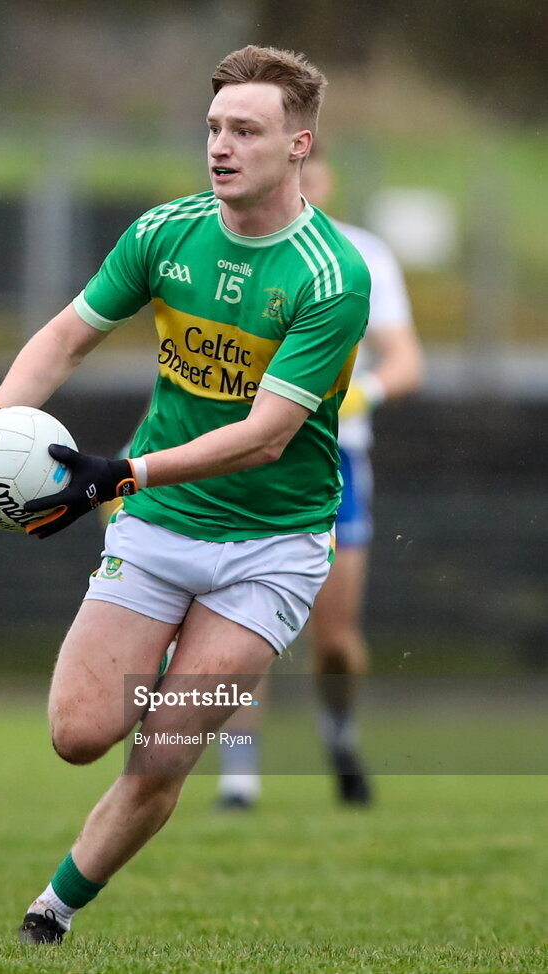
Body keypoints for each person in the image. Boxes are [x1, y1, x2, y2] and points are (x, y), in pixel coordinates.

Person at [0, 45, 370, 944]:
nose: (220, 146)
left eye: (245, 131)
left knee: (163, 751)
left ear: (299, 145)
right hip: (161, 523)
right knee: (78, 733)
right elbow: (66, 335)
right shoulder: (164, 232)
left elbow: (264, 437)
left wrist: (123, 471)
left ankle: (48, 915)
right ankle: (181, 675)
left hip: (273, 543)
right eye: (213, 127)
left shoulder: (331, 277)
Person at [215, 145, 424, 809]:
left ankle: (337, 733)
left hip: (332, 463)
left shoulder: (361, 255)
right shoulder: (230, 249)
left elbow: (404, 361)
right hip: (244, 457)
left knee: (333, 637)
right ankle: (239, 779)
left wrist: (362, 395)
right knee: (242, 629)